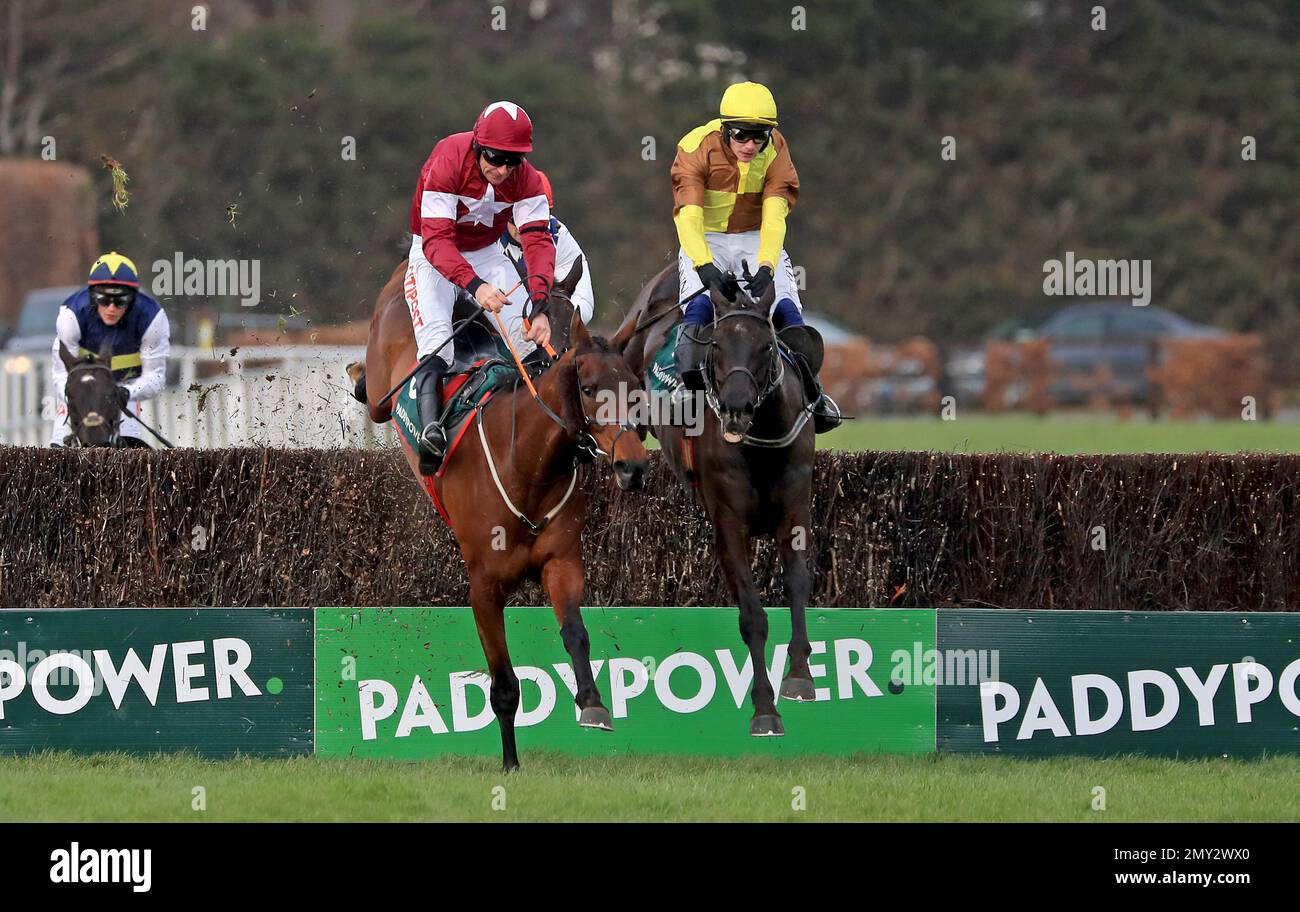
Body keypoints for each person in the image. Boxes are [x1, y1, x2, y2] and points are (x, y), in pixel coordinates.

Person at [670, 81, 841, 431]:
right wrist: (704, 265)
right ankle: (685, 390)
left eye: (759, 136)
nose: (750, 145)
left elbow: (775, 215)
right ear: (724, 128)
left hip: (754, 237)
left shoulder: (776, 149)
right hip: (707, 237)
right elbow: (688, 215)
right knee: (699, 309)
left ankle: (813, 395)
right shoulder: (693, 147)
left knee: (789, 313)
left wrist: (766, 266)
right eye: (741, 135)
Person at [406, 100, 557, 475]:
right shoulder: (448, 158)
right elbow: (437, 242)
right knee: (438, 340)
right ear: (476, 144)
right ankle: (430, 431)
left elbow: (538, 242)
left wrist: (540, 303)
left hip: (487, 253)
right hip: (433, 253)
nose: (503, 169)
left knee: (535, 343)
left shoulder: (528, 179)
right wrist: (475, 286)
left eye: (513, 160)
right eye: (495, 157)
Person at [49, 252, 170, 447]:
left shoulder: (152, 319)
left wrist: (127, 392)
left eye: (120, 301)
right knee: (60, 450)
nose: (111, 308)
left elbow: (156, 377)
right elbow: (60, 376)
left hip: (123, 386)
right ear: (92, 297)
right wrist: (82, 395)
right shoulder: (71, 316)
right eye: (103, 300)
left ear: (132, 299)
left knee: (129, 449)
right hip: (80, 388)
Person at [496, 169, 595, 342]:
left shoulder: (559, 235)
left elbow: (583, 305)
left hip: (546, 327)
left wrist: (553, 318)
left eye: (533, 216)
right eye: (514, 217)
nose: (522, 227)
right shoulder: (488, 234)